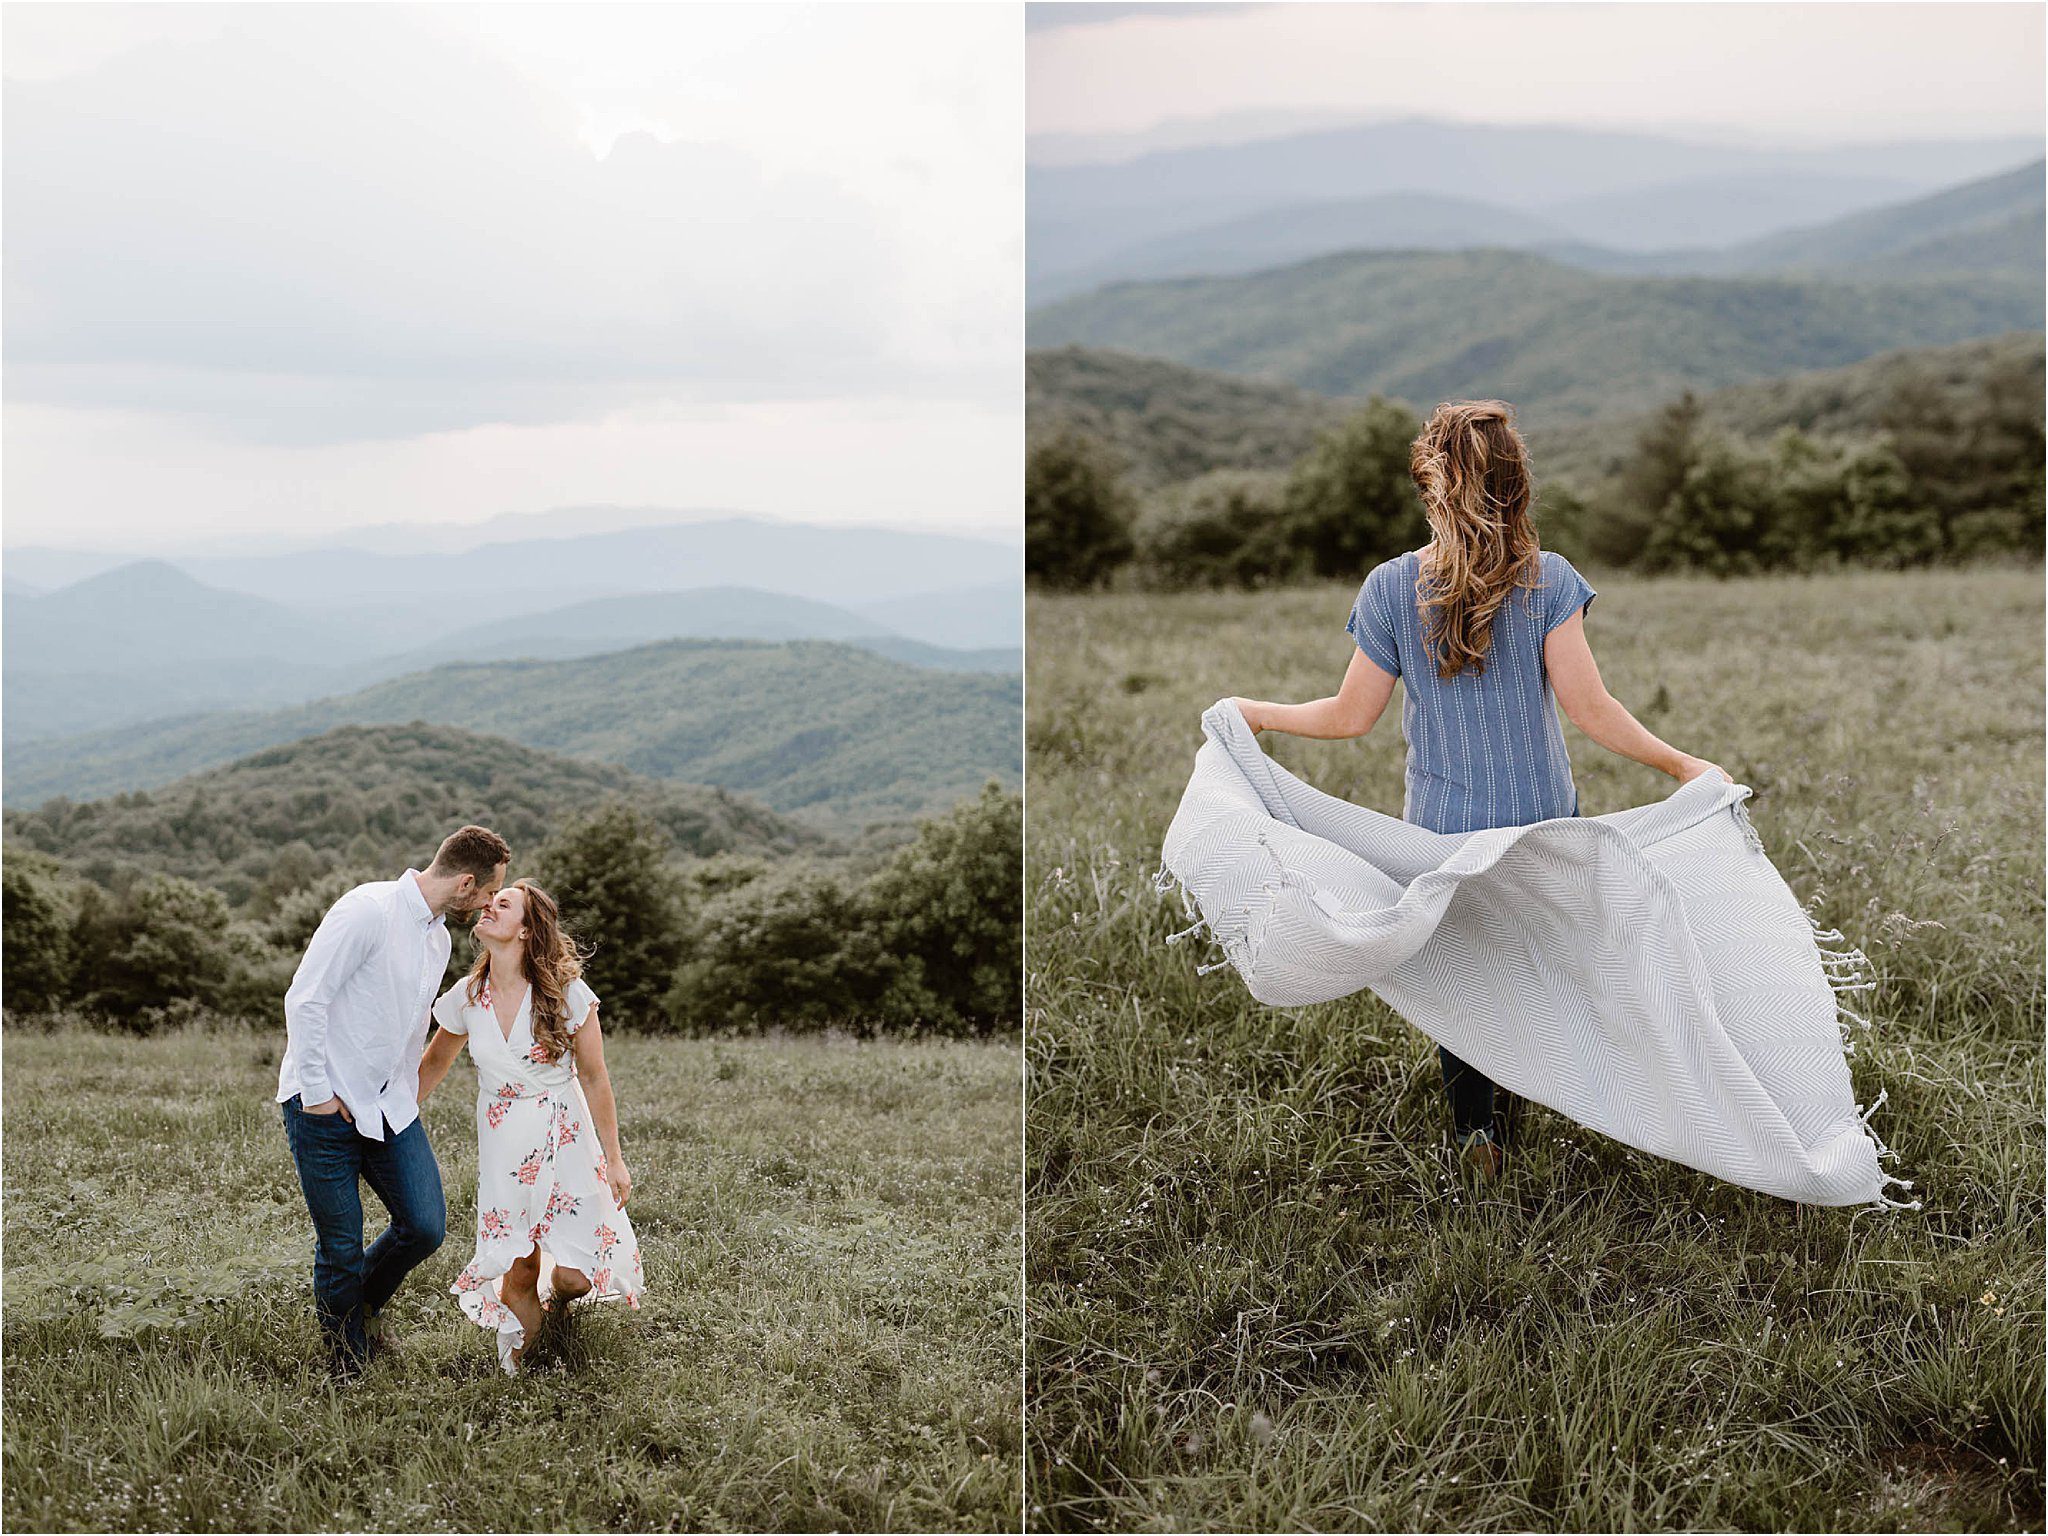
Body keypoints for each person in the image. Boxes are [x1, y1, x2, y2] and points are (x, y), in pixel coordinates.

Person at [1231, 398, 1732, 1181]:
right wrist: (1682, 766)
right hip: (1541, 823)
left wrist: (1252, 713)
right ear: (1514, 484)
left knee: (1468, 981)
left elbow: (1348, 717)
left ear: (1436, 487)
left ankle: (1477, 1138)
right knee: (1538, 965)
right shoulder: (1548, 581)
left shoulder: (1392, 588)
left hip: (1440, 832)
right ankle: (1546, 1096)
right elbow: (1591, 710)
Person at [276, 825, 511, 1378]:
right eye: (486, 894)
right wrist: (317, 1095)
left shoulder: (439, 938)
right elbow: (305, 998)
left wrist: (404, 1098)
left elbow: (406, 1031)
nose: (485, 906)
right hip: (323, 1106)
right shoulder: (367, 909)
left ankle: (361, 1308)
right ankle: (346, 1358)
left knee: (425, 1224)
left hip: (388, 1108)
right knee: (340, 1242)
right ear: (466, 883)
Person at [418, 878, 644, 1375]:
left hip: (564, 1132)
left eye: (503, 904)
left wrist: (615, 1158)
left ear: (525, 930)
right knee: (518, 1266)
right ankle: (518, 1371)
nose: (488, 907)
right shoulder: (468, 996)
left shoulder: (566, 992)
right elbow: (433, 1064)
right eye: (490, 902)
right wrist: (389, 1119)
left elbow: (594, 1075)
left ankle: (559, 1305)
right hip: (503, 1139)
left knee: (575, 1280)